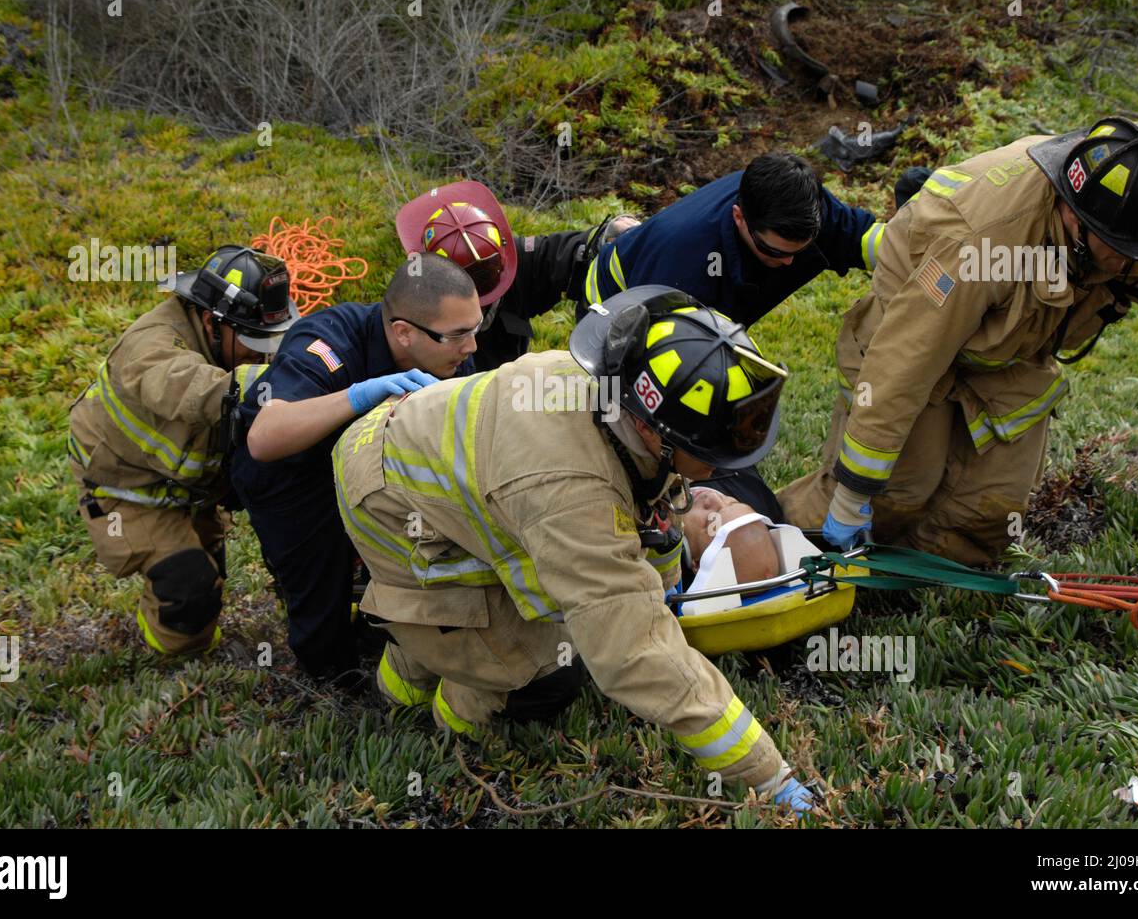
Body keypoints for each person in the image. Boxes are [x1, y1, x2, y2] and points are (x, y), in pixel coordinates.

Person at [334, 284, 815, 813]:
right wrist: (769, 777)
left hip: (419, 448)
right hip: (385, 497)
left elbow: (654, 501)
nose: (724, 475)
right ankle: (453, 729)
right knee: (523, 648)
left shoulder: (614, 392)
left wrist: (665, 585)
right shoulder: (569, 490)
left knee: (500, 606)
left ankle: (413, 669)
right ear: (654, 432)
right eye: (712, 453)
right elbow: (631, 650)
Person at [779, 116, 1138, 565]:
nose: (1137, 269)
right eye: (1123, 257)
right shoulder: (982, 238)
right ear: (1073, 216)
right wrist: (854, 496)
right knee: (899, 491)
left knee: (990, 510)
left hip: (1012, 347)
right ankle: (766, 544)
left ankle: (917, 584)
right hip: (915, 322)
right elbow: (906, 359)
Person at [228, 254, 480, 681]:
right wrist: (359, 396)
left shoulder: (449, 353)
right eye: (458, 334)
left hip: (374, 472)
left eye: (476, 328)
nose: (471, 346)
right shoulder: (326, 343)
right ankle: (331, 677)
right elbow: (264, 438)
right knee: (322, 610)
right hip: (296, 480)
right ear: (403, 332)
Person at [68, 245, 299, 655]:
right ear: (212, 322)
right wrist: (269, 386)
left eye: (269, 340)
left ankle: (190, 631)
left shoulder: (224, 340)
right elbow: (187, 385)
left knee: (212, 571)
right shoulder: (151, 347)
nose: (263, 352)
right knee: (189, 590)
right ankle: (174, 660)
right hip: (127, 492)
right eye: (251, 340)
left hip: (192, 489)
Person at [580, 151, 888, 327]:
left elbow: (866, 239)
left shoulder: (806, 205)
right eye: (773, 250)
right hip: (616, 305)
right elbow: (658, 345)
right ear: (739, 217)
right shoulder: (686, 258)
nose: (789, 261)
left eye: (801, 250)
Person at [396, 179, 637, 370]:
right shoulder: (413, 311)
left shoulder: (515, 264)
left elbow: (558, 255)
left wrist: (604, 239)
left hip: (508, 393)